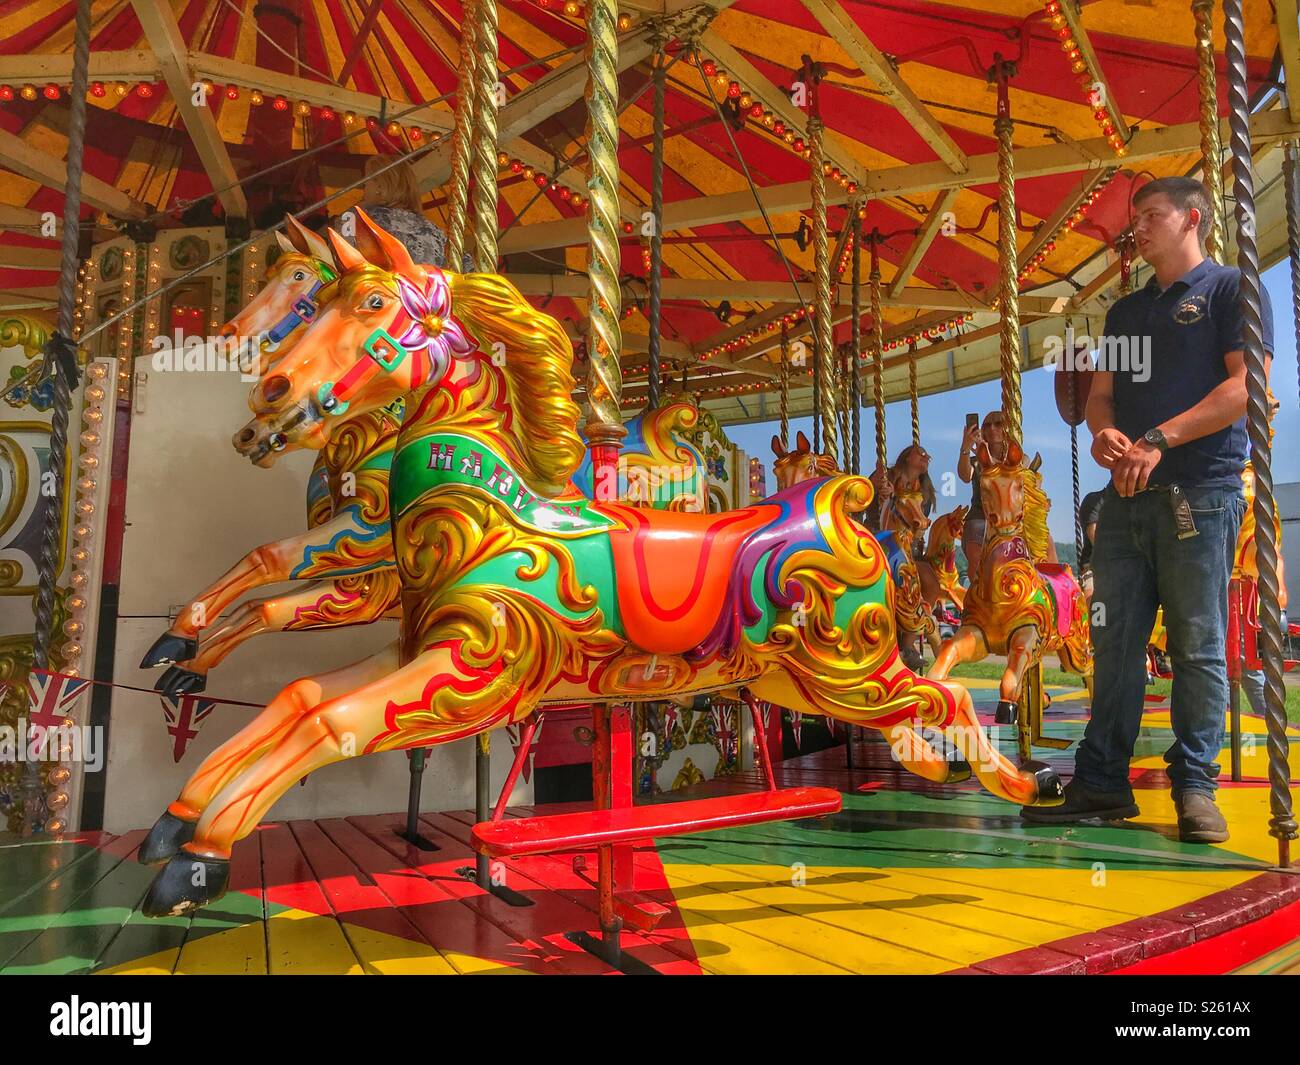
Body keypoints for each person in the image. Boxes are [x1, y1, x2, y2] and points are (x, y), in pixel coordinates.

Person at [1023, 176, 1273, 844]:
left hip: (1200, 491)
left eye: (1151, 215)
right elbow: (1102, 395)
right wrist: (1103, 430)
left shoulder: (1230, 290)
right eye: (1135, 218)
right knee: (1114, 642)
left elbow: (1246, 387)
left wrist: (1159, 438)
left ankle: (1195, 783)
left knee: (1197, 646)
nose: (1138, 226)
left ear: (1192, 217)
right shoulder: (1125, 314)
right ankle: (1101, 779)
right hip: (1126, 500)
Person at [337, 155, 457, 269]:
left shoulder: (356, 219)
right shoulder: (433, 230)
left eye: (367, 179)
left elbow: (342, 261)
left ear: (379, 186)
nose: (365, 184)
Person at [1077, 487, 1106, 596]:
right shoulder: (1094, 500)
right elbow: (1098, 544)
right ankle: (1095, 613)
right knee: (1094, 594)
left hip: (1129, 566)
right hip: (1095, 568)